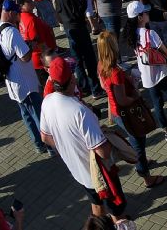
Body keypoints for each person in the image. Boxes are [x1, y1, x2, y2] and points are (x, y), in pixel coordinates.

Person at [40, 57, 125, 226]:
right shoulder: (80, 111)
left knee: (95, 202)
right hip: (99, 173)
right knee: (116, 208)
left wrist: (67, 147)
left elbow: (45, 137)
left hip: (77, 170)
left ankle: (96, 226)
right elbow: (103, 151)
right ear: (72, 79)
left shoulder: (47, 102)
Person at [97, 30, 164, 188]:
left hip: (116, 112)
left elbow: (103, 85)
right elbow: (123, 100)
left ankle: (142, 163)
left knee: (135, 139)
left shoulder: (101, 65)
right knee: (138, 142)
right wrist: (135, 93)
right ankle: (145, 176)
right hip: (126, 112)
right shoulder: (116, 73)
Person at [0, 0, 50, 153]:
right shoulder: (12, 31)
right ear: (11, 13)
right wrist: (31, 45)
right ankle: (49, 146)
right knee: (38, 114)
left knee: (26, 115)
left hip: (12, 82)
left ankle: (38, 145)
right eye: (16, 14)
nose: (18, 16)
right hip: (24, 82)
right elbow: (25, 56)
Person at [126, 1, 167, 142]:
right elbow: (165, 52)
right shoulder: (150, 33)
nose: (147, 14)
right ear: (140, 17)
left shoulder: (132, 35)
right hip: (160, 74)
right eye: (145, 13)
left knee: (158, 104)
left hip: (146, 77)